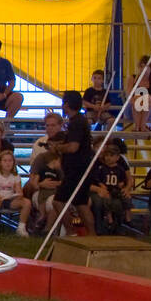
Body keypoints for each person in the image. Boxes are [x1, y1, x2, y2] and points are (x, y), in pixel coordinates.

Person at [50, 91, 96, 235]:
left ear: (67, 104)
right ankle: (92, 235)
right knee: (81, 203)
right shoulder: (80, 120)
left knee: (58, 201)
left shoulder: (76, 122)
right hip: (82, 168)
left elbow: (73, 147)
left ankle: (71, 232)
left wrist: (58, 147)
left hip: (76, 170)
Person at [0, 149, 31, 239]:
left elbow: (19, 191)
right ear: (0, 162)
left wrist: (18, 195)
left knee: (27, 202)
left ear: (13, 162)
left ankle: (21, 228)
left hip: (11, 200)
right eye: (5, 161)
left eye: (10, 161)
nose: (8, 163)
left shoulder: (15, 176)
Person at [89, 141, 132, 235]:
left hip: (113, 190)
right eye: (98, 147)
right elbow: (89, 181)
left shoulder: (119, 163)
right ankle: (98, 229)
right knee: (99, 202)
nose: (101, 150)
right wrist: (99, 188)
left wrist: (126, 188)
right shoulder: (94, 162)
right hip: (95, 189)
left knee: (118, 202)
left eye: (103, 146)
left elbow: (128, 178)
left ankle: (118, 226)